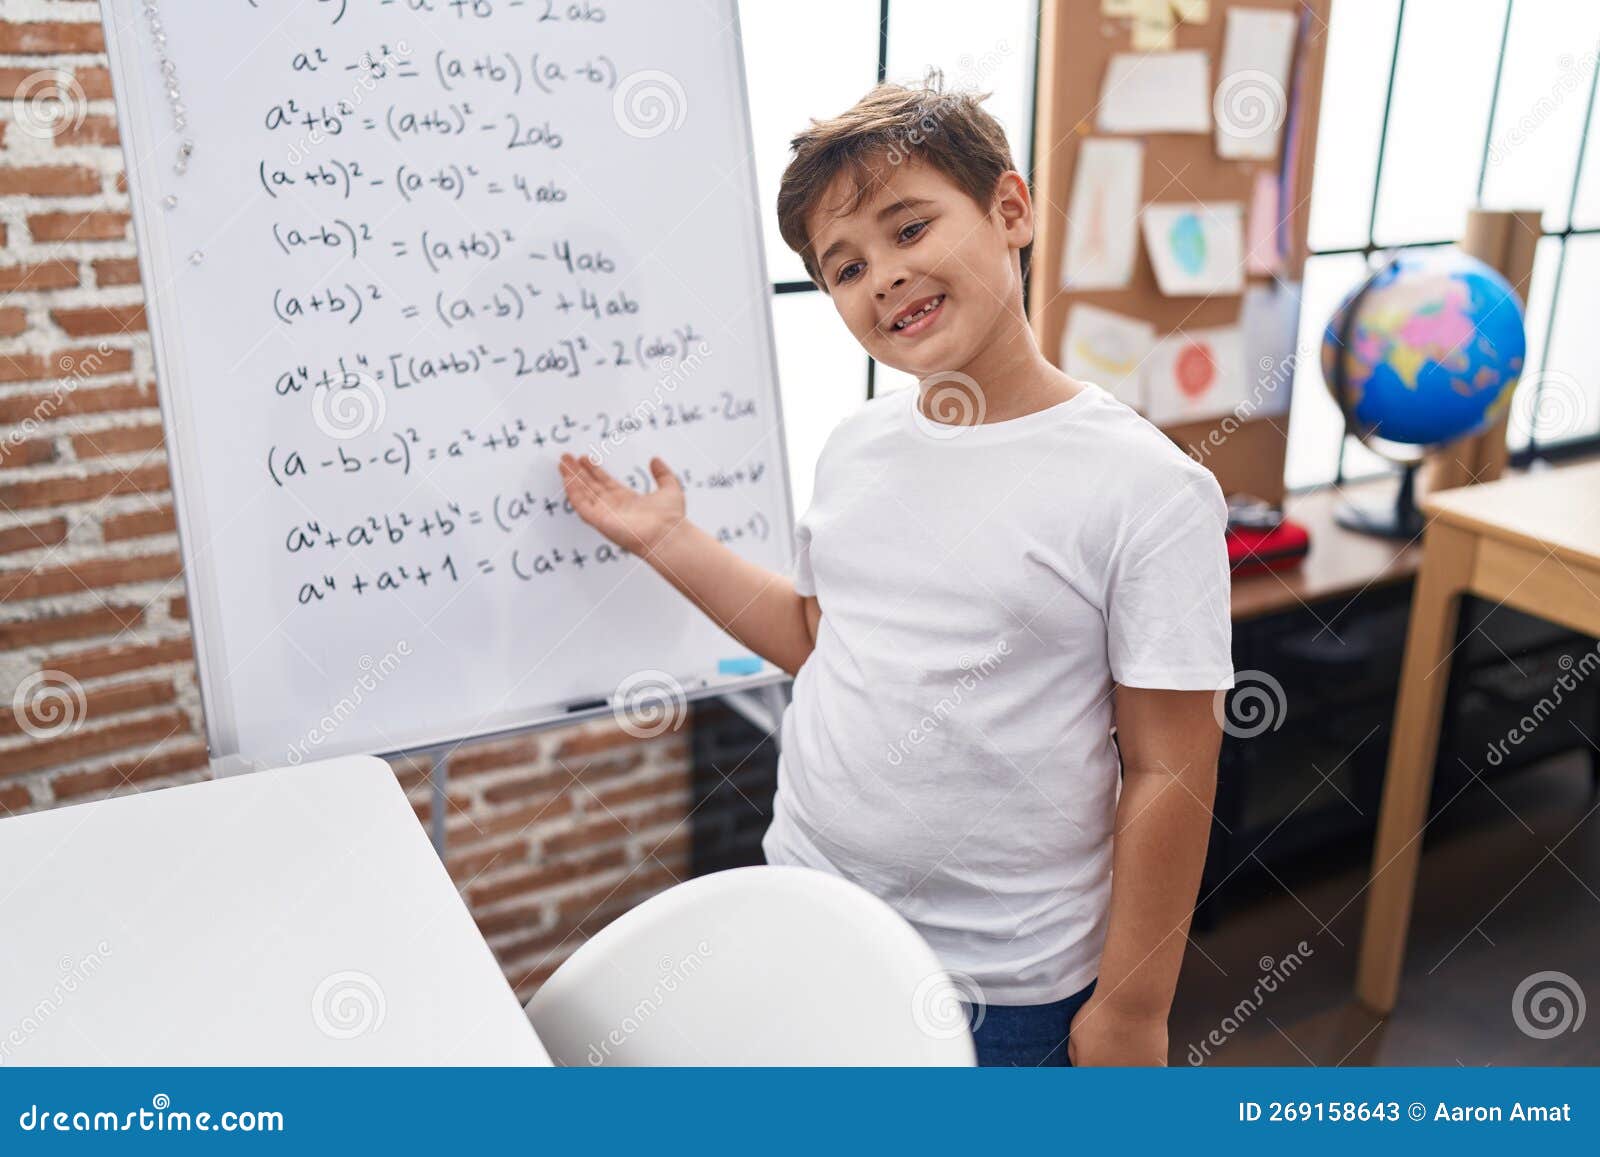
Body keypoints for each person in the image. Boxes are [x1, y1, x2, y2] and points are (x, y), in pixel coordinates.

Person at [558, 73, 1234, 1067]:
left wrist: (1132, 1008)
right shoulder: (855, 446)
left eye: (909, 230)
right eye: (844, 267)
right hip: (804, 915)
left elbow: (1169, 765)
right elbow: (818, 639)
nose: (881, 277)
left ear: (1010, 209)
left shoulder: (1146, 487)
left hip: (1000, 990)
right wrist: (668, 540)